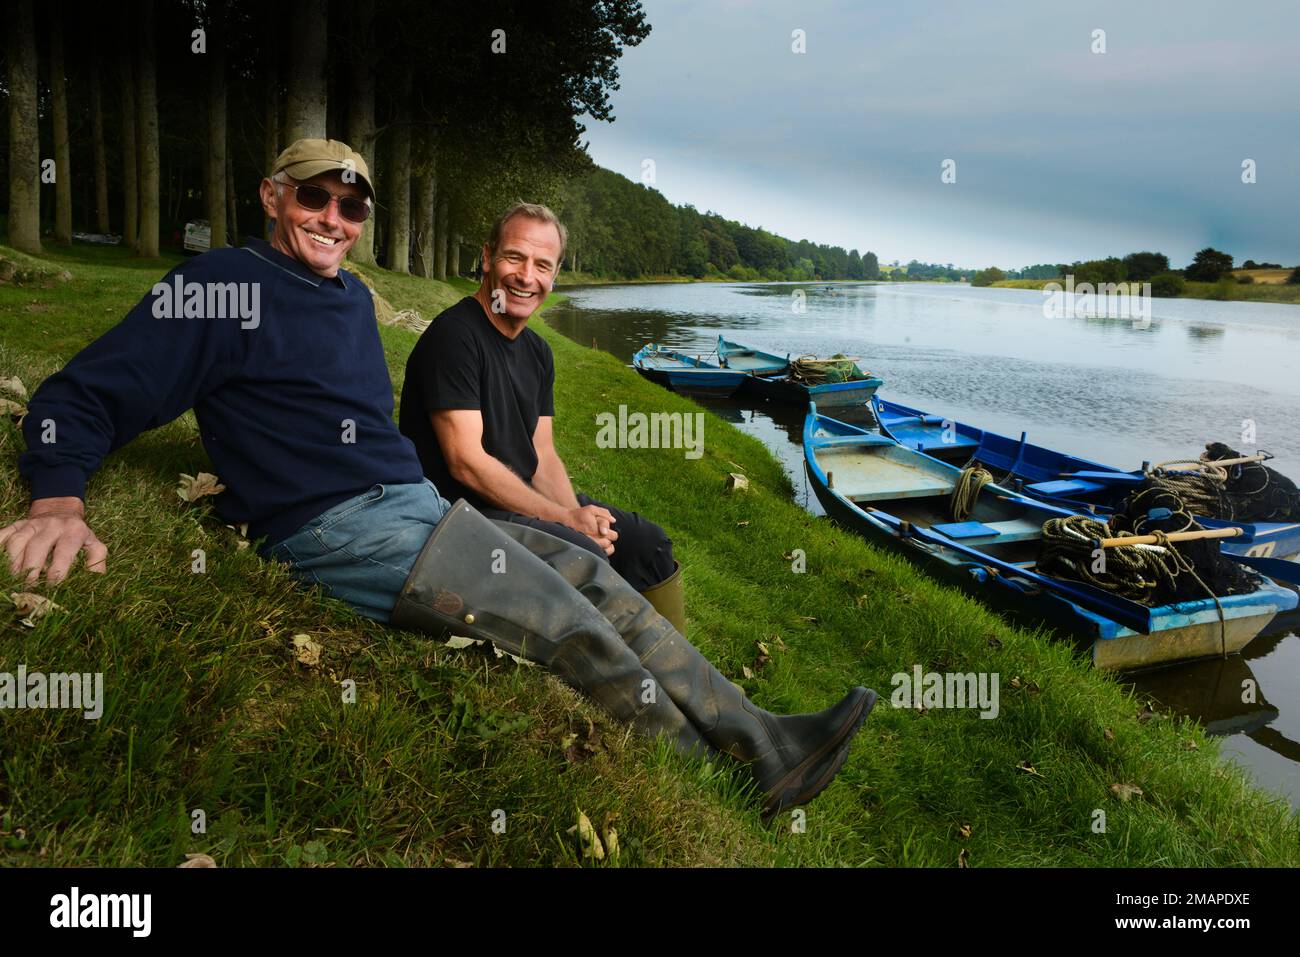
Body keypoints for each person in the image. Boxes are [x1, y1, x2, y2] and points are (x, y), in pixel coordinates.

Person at [1, 138, 875, 818]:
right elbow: (85, 393)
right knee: (565, 622)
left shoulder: (345, 295)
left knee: (597, 575)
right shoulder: (226, 283)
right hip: (336, 526)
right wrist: (58, 498)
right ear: (272, 196)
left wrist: (560, 514)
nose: (334, 218)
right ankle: (708, 780)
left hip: (415, 503)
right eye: (315, 197)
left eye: (350, 206)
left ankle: (762, 738)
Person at [399, 204, 686, 632]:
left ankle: (678, 675)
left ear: (554, 276)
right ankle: (625, 675)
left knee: (647, 543)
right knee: (579, 551)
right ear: (487, 258)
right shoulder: (455, 336)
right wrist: (566, 522)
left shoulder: (537, 350)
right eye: (514, 257)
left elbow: (543, 454)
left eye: (542, 265)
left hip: (522, 502)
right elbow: (465, 462)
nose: (526, 276)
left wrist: (577, 514)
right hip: (461, 514)